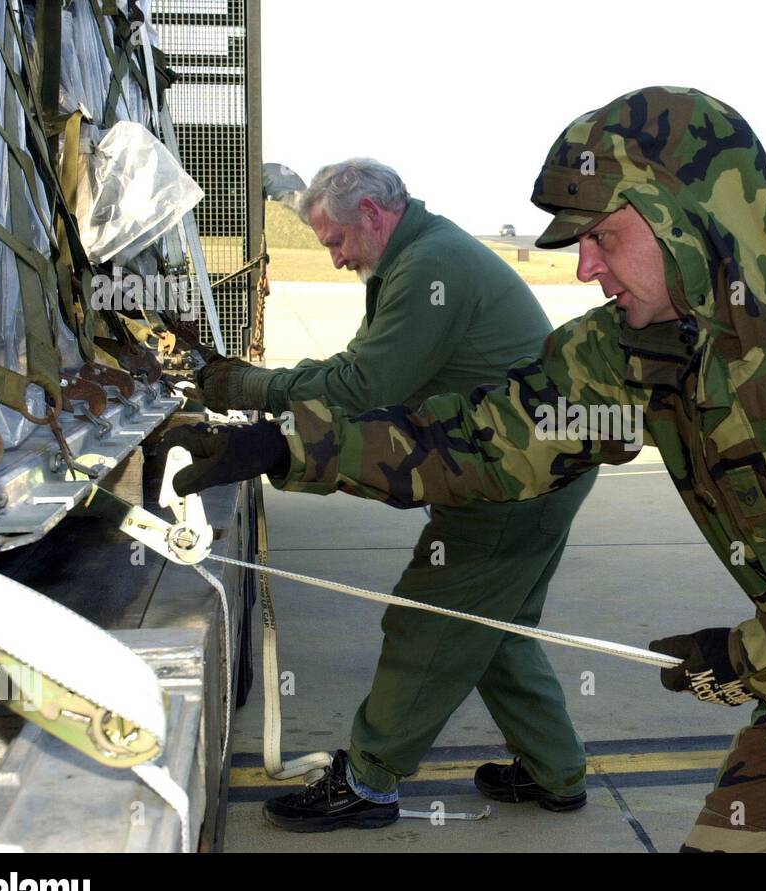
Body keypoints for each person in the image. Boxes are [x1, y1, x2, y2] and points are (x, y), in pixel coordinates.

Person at [165, 89, 766, 852]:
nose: (585, 269)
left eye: (603, 236)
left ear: (693, 220)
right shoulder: (634, 345)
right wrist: (286, 449)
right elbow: (493, 442)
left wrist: (759, 652)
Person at [194, 158, 596, 831]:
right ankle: (555, 772)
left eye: (337, 242)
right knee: (493, 631)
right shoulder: (419, 255)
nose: (334, 258)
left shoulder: (430, 266)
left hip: (511, 481)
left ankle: (369, 784)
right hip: (532, 469)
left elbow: (360, 385)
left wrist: (247, 388)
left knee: (427, 622)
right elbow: (375, 373)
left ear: (375, 216)